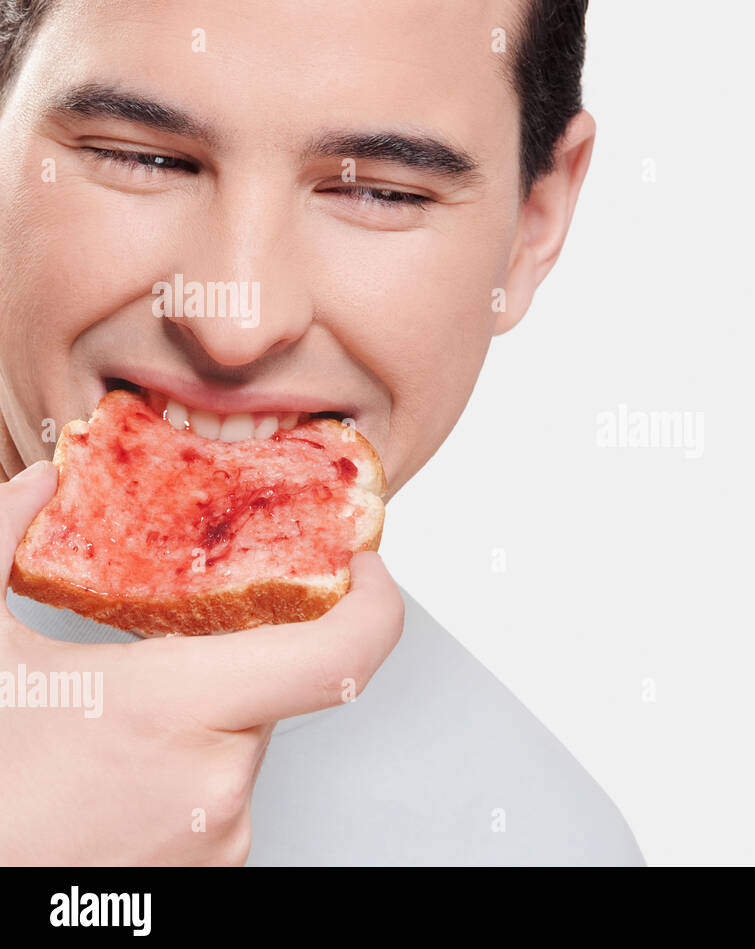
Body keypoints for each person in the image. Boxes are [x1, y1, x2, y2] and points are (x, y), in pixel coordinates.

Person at [0, 0, 643, 865]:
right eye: (142, 156)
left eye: (379, 190)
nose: (237, 322)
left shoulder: (542, 842)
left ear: (536, 222)